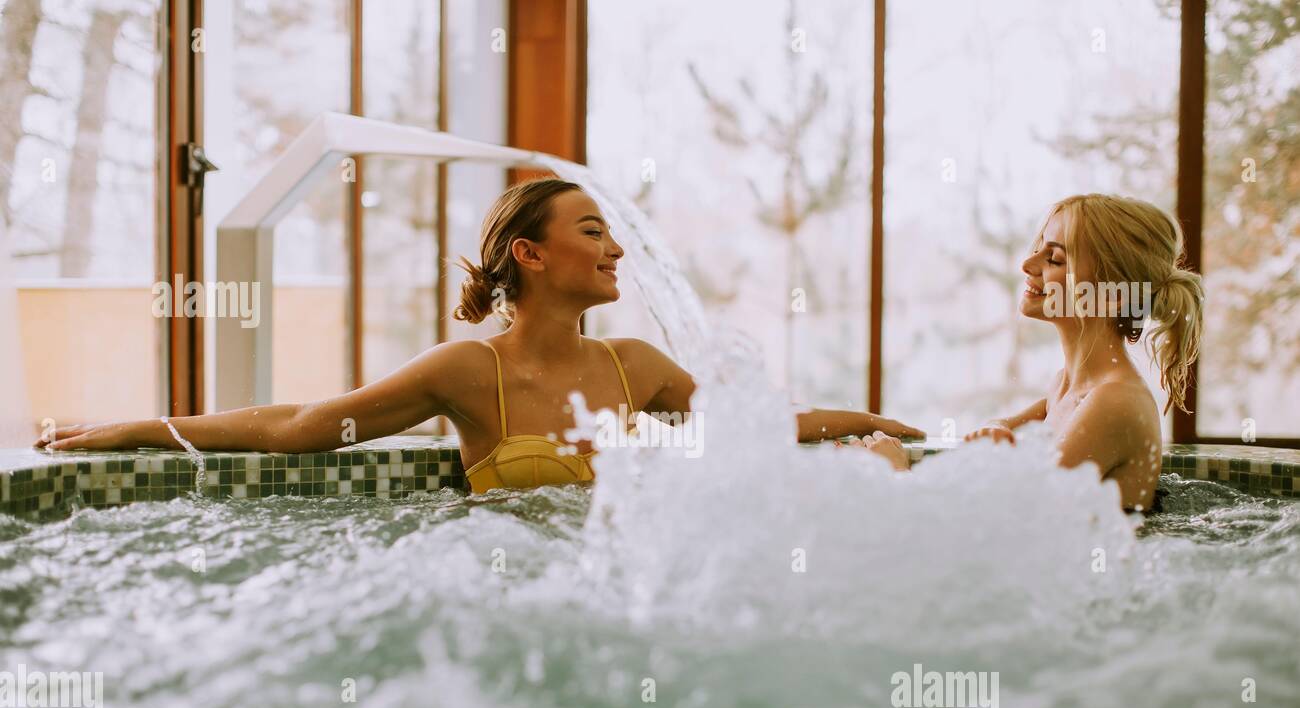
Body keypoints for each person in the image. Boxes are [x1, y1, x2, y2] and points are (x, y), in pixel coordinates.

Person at [36, 178, 924, 493]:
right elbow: (302, 425)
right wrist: (143, 427)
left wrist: (868, 424)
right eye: (591, 233)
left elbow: (757, 425)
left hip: (616, 593)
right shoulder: (468, 370)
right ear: (530, 256)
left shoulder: (638, 367)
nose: (616, 248)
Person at [861, 194, 1203, 513]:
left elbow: (1012, 520)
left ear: (1112, 295)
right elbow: (1001, 435)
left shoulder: (1115, 402)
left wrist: (897, 475)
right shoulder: (1065, 388)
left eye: (1053, 258)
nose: (1028, 263)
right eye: (1038, 249)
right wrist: (995, 430)